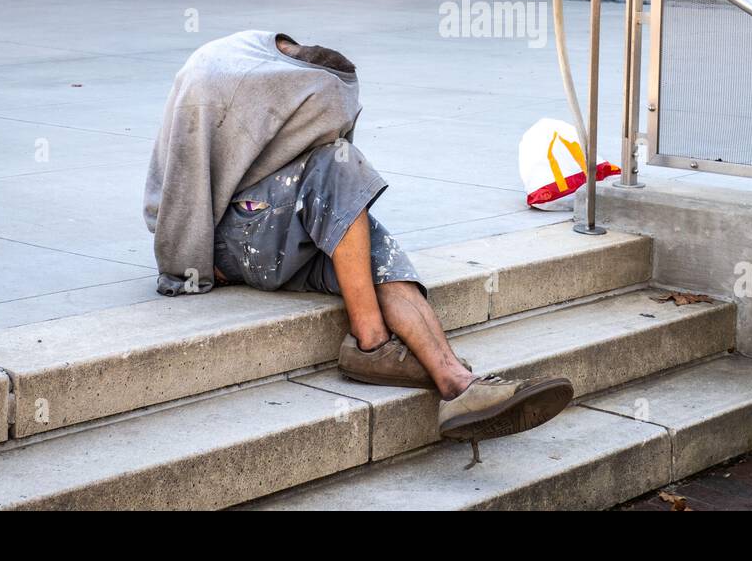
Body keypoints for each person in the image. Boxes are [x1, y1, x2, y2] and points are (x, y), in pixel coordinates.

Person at [144, 29, 572, 459]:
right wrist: (188, 262)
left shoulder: (294, 85)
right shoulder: (219, 75)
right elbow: (182, 175)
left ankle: (459, 386)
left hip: (279, 222)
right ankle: (370, 342)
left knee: (377, 253)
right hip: (227, 238)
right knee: (338, 162)